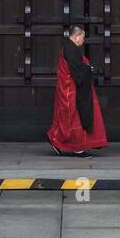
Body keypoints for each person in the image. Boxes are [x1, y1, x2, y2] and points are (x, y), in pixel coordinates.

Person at [47, 24, 108, 157]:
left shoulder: (69, 47)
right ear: (76, 36)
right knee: (74, 119)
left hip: (67, 89)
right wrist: (90, 69)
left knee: (64, 118)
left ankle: (55, 139)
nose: (83, 41)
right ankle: (77, 148)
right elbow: (77, 70)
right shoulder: (71, 49)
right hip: (71, 90)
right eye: (83, 37)